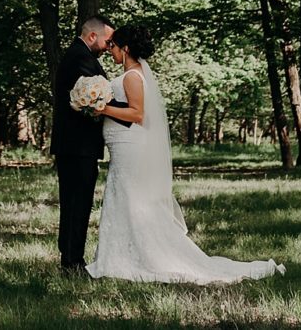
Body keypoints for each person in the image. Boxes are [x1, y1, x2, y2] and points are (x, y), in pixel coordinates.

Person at [89, 24, 285, 284]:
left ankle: (136, 258)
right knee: (125, 200)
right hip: (123, 148)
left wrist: (103, 109)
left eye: (113, 46)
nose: (110, 50)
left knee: (131, 199)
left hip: (130, 149)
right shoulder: (133, 75)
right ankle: (118, 256)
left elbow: (137, 114)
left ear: (125, 48)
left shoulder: (132, 77)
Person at [51, 15, 113, 274]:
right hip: (77, 146)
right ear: (92, 36)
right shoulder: (81, 58)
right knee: (78, 203)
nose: (109, 47)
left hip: (74, 145)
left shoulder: (80, 55)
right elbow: (92, 100)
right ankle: (73, 261)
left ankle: (70, 256)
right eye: (107, 41)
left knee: (74, 202)